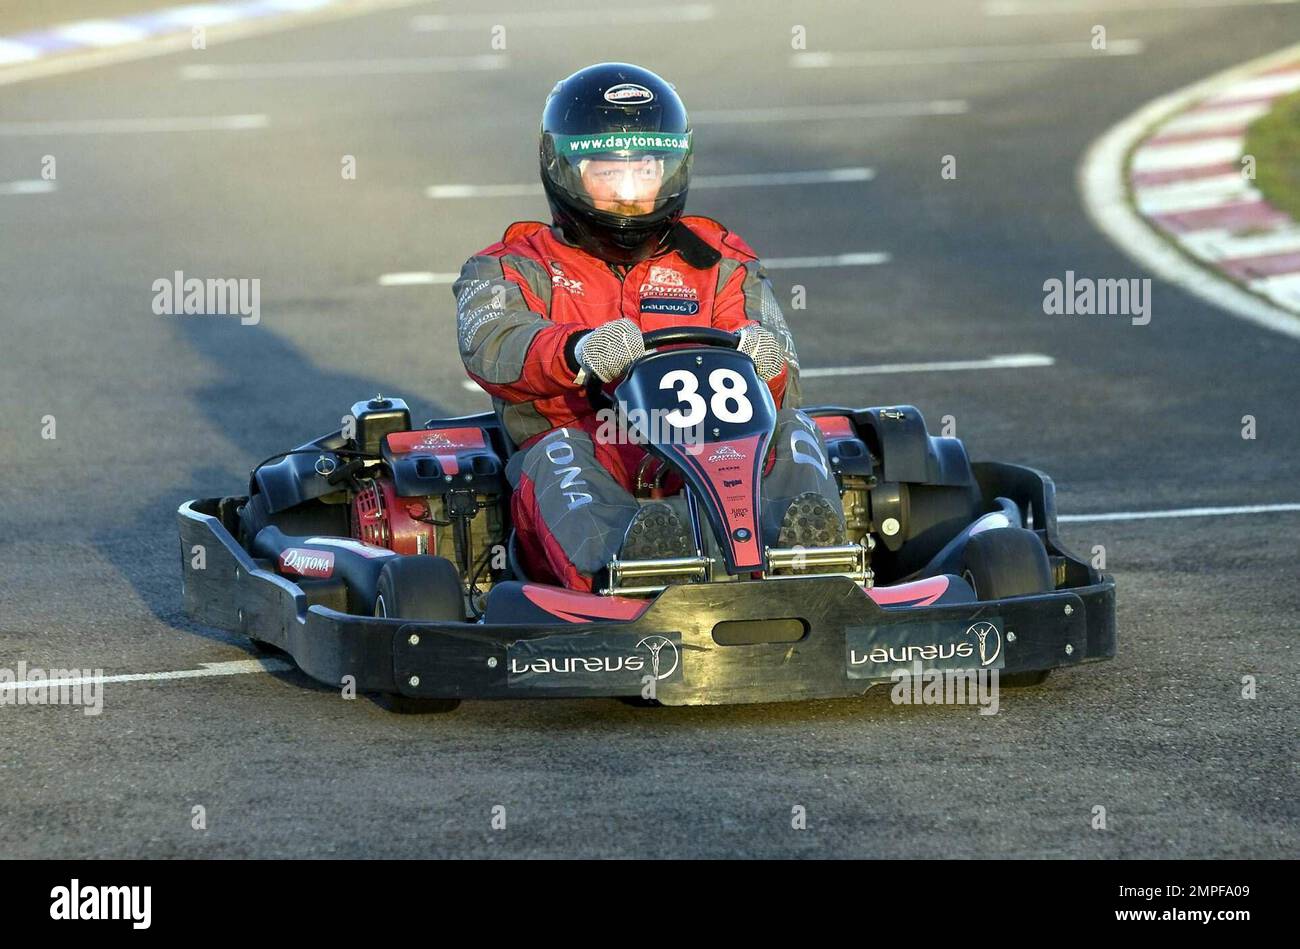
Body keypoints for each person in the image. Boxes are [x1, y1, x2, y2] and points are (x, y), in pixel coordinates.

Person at [453, 62, 847, 592]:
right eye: (608, 172)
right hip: (591, 458)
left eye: (645, 169)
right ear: (564, 170)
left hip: (716, 464)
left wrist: (767, 360)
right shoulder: (510, 265)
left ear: (674, 168)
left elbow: (777, 378)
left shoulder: (719, 261)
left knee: (795, 428)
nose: (630, 192)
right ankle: (632, 566)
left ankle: (811, 565)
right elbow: (493, 344)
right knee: (557, 453)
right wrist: (578, 351)